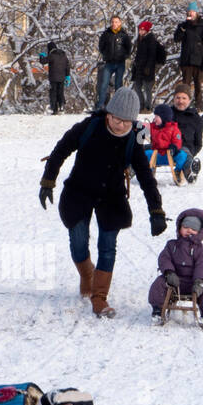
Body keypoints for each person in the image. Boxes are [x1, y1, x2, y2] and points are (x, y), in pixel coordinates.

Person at [39, 86, 167, 318]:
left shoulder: (134, 137)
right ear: (108, 114)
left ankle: (99, 297)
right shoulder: (89, 127)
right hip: (79, 191)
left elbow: (146, 177)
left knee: (107, 247)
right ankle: (87, 275)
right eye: (117, 119)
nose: (120, 125)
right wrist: (48, 181)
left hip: (112, 196)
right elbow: (60, 150)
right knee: (78, 243)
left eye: (127, 122)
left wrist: (156, 210)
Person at [149, 208, 203, 328]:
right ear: (180, 227)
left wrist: (200, 280)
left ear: (200, 232)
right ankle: (157, 311)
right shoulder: (171, 245)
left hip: (193, 282)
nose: (189, 230)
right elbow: (164, 258)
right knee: (159, 283)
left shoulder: (200, 249)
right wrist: (169, 272)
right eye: (185, 227)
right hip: (174, 281)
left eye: (194, 229)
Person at [172, 1, 203, 109]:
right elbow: (176, 39)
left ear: (197, 13)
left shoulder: (202, 26)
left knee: (198, 85)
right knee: (186, 85)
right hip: (187, 60)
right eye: (189, 12)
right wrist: (183, 28)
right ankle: (185, 105)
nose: (191, 14)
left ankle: (199, 106)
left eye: (193, 11)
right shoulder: (183, 26)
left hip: (199, 60)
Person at [145, 103, 189, 184]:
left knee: (183, 155)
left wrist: (174, 147)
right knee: (145, 154)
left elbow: (177, 141)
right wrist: (136, 124)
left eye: (156, 117)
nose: (154, 119)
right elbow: (145, 126)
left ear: (164, 117)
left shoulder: (174, 129)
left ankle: (178, 171)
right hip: (157, 156)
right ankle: (148, 172)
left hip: (171, 156)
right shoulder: (153, 127)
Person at [130, 21, 166, 114]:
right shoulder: (140, 39)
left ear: (146, 30)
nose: (140, 31)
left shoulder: (151, 40)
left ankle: (147, 107)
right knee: (137, 87)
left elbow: (152, 55)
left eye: (142, 29)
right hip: (139, 68)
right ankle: (141, 106)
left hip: (147, 68)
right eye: (140, 29)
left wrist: (149, 67)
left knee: (147, 89)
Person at [96, 15, 132, 108]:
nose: (114, 24)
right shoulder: (106, 34)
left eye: (116, 22)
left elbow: (129, 48)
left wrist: (124, 56)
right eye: (112, 22)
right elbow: (101, 46)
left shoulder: (124, 35)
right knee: (104, 84)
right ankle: (101, 105)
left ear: (120, 23)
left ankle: (118, 105)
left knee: (118, 84)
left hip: (120, 63)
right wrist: (105, 54)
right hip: (109, 63)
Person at [170, 84, 203, 181]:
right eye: (178, 98)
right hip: (166, 148)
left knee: (184, 153)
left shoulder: (195, 118)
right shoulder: (167, 114)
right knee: (143, 149)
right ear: (174, 99)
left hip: (185, 149)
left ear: (189, 100)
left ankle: (190, 171)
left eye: (184, 98)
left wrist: (191, 153)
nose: (180, 101)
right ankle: (131, 168)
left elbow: (198, 143)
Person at [40, 42, 71, 114]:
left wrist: (41, 56)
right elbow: (67, 66)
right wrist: (67, 76)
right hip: (62, 77)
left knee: (53, 92)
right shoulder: (63, 55)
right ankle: (61, 106)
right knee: (60, 92)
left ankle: (54, 109)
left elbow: (43, 61)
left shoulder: (51, 55)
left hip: (53, 78)